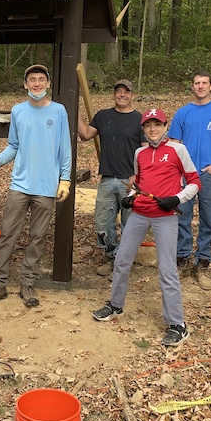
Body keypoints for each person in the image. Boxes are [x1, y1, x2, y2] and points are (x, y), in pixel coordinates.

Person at [92, 108, 201, 346]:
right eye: (148, 125)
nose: (153, 129)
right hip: (139, 214)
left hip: (165, 216)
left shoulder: (177, 150)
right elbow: (138, 182)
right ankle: (116, 305)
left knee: (167, 269)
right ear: (143, 129)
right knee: (121, 260)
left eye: (157, 124)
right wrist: (130, 196)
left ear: (165, 127)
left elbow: (194, 182)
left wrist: (177, 199)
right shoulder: (140, 153)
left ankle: (177, 324)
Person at [0, 64, 72, 309]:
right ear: (25, 84)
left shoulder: (59, 111)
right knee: (8, 234)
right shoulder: (18, 111)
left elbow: (65, 148)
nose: (37, 83)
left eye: (41, 79)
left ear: (48, 84)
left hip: (47, 186)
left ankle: (28, 284)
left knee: (37, 237)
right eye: (32, 79)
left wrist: (65, 179)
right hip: (20, 184)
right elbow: (13, 146)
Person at [168, 70, 211, 290]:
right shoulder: (183, 113)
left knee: (208, 219)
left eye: (204, 83)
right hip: (185, 175)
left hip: (209, 175)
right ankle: (182, 258)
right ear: (192, 86)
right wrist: (177, 171)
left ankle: (203, 262)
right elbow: (173, 144)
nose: (200, 86)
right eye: (197, 83)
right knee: (183, 218)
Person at [77, 79, 146, 276]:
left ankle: (122, 262)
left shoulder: (139, 120)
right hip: (107, 179)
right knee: (103, 224)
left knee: (129, 225)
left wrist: (138, 176)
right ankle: (112, 256)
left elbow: (146, 153)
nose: (122, 94)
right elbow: (85, 135)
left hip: (131, 182)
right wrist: (75, 111)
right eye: (119, 91)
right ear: (114, 94)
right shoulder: (103, 116)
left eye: (126, 92)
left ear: (133, 96)